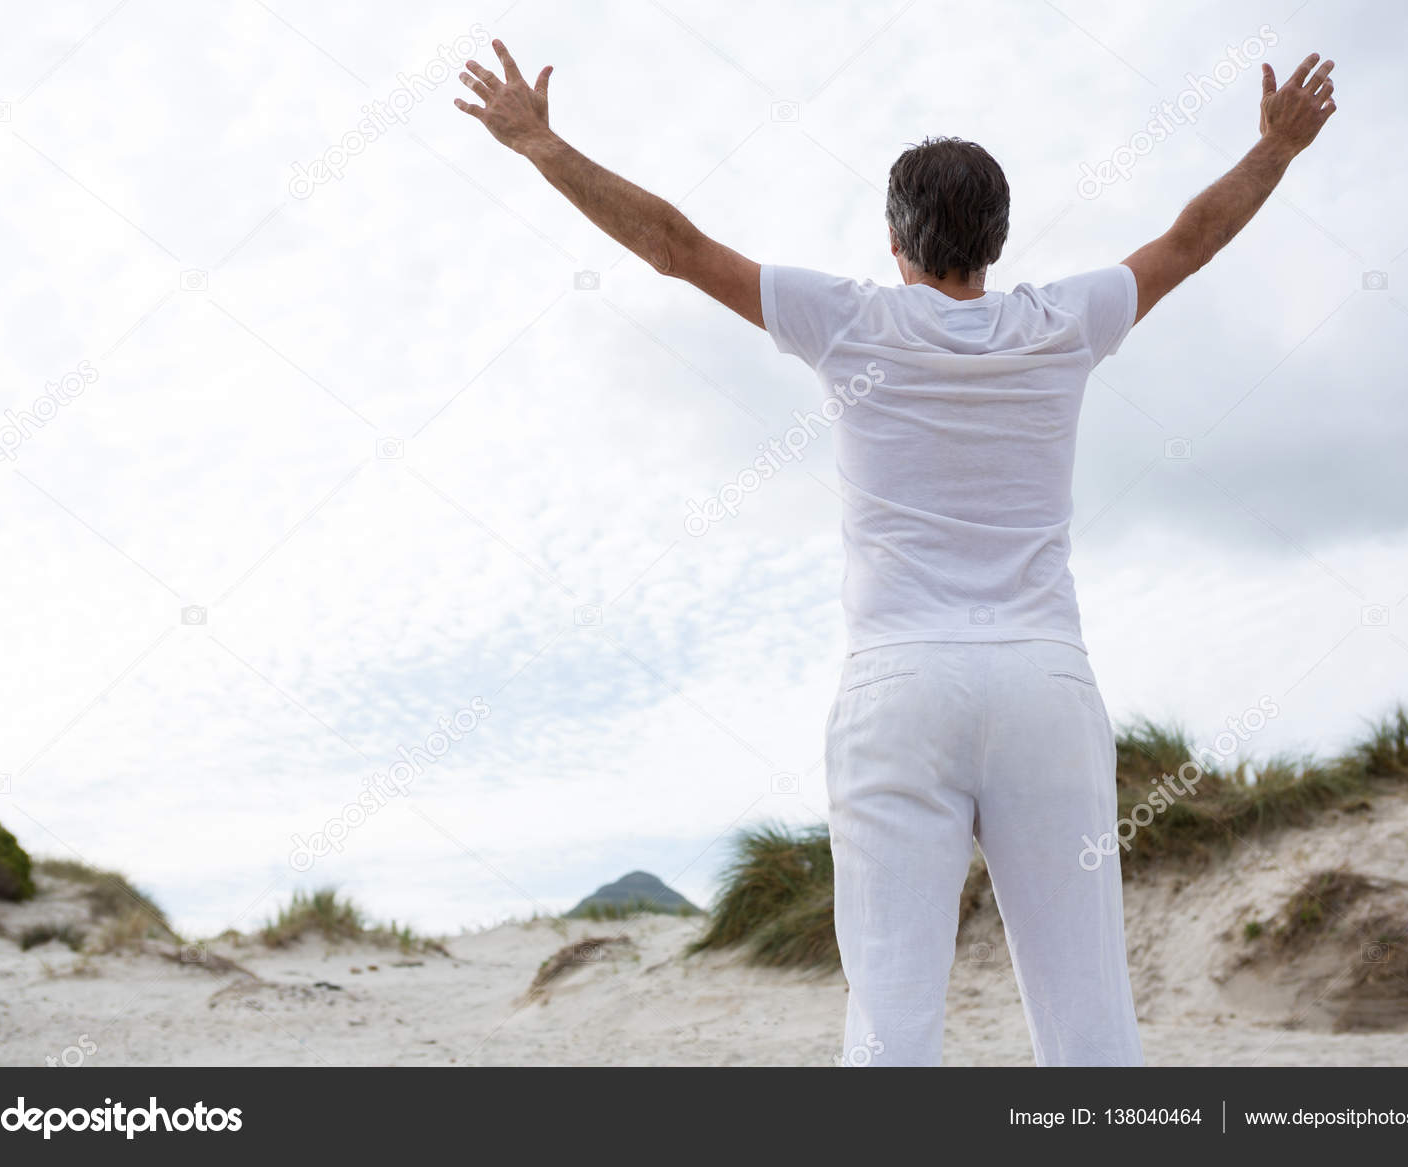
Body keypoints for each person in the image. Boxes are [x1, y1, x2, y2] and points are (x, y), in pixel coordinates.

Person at [455, 39, 1337, 1066]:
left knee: (890, 1026)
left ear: (892, 239)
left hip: (900, 689)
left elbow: (674, 247)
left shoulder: (849, 322)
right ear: (998, 238)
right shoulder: (1064, 321)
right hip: (1045, 687)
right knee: (1089, 1022)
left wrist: (540, 146)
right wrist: (1276, 149)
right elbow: (1190, 241)